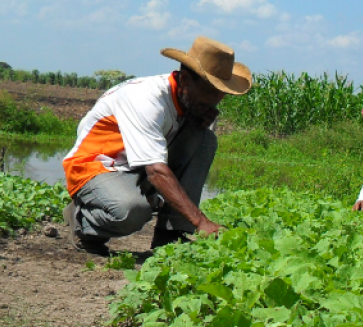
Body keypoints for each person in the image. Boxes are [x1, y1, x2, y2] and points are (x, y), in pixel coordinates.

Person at [62, 36, 251, 256]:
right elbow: (155, 171)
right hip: (97, 167)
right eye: (208, 96)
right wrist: (200, 221)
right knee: (130, 211)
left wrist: (193, 123)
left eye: (220, 96)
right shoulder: (146, 99)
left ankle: (170, 235)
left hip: (135, 167)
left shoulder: (188, 100)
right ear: (186, 80)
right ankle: (82, 221)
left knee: (205, 140)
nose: (213, 104)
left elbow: (168, 154)